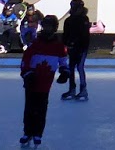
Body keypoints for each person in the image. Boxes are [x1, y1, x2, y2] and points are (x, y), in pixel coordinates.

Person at [19, 18, 68, 148]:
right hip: (32, 80)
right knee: (29, 107)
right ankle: (27, 132)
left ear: (55, 28)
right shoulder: (34, 44)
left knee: (41, 108)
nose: (47, 29)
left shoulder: (58, 46)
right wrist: (27, 74)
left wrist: (64, 72)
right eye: (45, 26)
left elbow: (63, 61)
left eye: (50, 27)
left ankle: (37, 133)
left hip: (45, 82)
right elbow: (25, 60)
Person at [61, 0, 91, 102]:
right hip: (72, 48)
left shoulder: (84, 20)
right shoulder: (68, 20)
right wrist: (67, 44)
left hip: (81, 48)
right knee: (71, 68)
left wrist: (78, 45)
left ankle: (83, 90)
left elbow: (84, 36)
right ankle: (72, 89)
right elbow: (65, 35)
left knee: (80, 67)